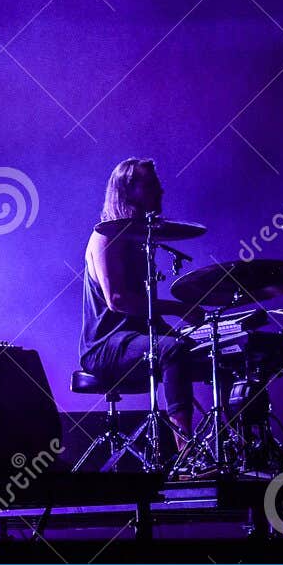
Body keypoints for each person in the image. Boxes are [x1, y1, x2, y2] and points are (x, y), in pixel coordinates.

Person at [79, 158, 201, 440]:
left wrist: (189, 333)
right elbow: (118, 301)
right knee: (172, 350)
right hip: (104, 345)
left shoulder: (139, 242)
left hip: (134, 338)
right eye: (152, 185)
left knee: (207, 349)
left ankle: (237, 450)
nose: (161, 191)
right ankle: (185, 450)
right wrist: (178, 308)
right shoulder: (105, 237)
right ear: (127, 190)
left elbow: (145, 314)